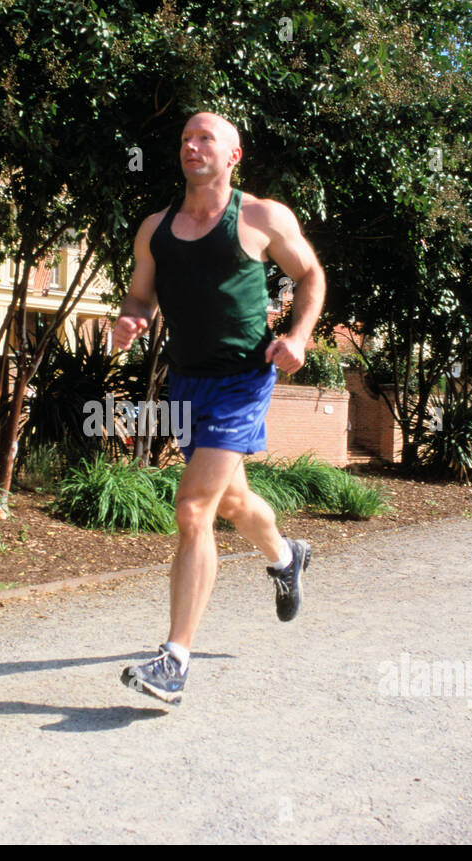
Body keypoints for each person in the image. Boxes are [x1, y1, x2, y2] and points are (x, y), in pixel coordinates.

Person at [113, 111, 326, 705]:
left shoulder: (260, 217)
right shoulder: (155, 227)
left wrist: (300, 337)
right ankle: (288, 556)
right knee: (232, 500)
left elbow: (310, 274)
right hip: (187, 381)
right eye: (186, 138)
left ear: (234, 155)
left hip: (243, 379)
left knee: (193, 506)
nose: (192, 145)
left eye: (206, 137)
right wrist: (133, 314)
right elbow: (140, 290)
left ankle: (173, 662)